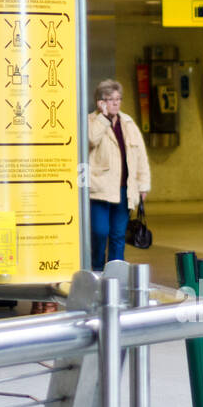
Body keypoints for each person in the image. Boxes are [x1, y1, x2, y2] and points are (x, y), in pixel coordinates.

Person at [87, 79, 151, 269]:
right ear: (100, 102)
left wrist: (143, 185)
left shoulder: (128, 123)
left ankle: (115, 278)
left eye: (118, 99)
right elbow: (90, 140)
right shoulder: (91, 121)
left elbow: (140, 156)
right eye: (110, 99)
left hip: (124, 189)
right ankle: (97, 272)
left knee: (117, 235)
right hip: (99, 188)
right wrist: (104, 118)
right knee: (99, 232)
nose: (115, 103)